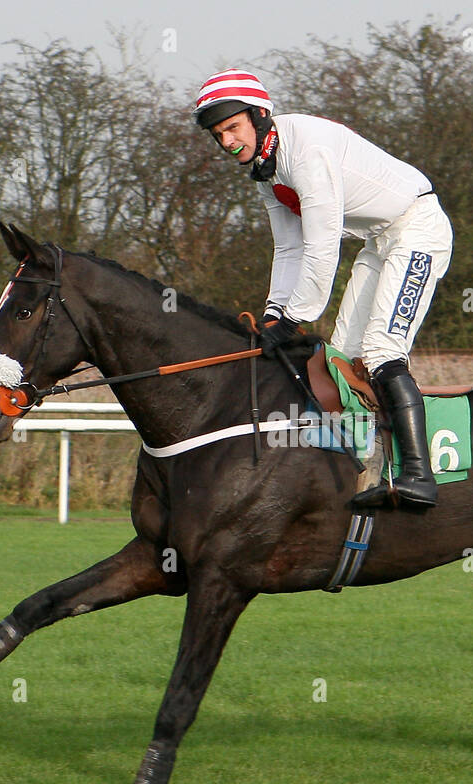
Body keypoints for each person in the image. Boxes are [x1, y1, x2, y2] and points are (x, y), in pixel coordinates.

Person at [194, 68, 453, 509]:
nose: (227, 142)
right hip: (379, 240)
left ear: (259, 116)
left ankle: (418, 475)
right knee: (343, 357)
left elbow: (321, 242)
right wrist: (275, 311)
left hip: (418, 230)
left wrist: (297, 316)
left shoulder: (306, 151)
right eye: (219, 134)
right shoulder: (266, 169)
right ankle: (363, 471)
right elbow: (289, 248)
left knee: (382, 350)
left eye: (233, 128)